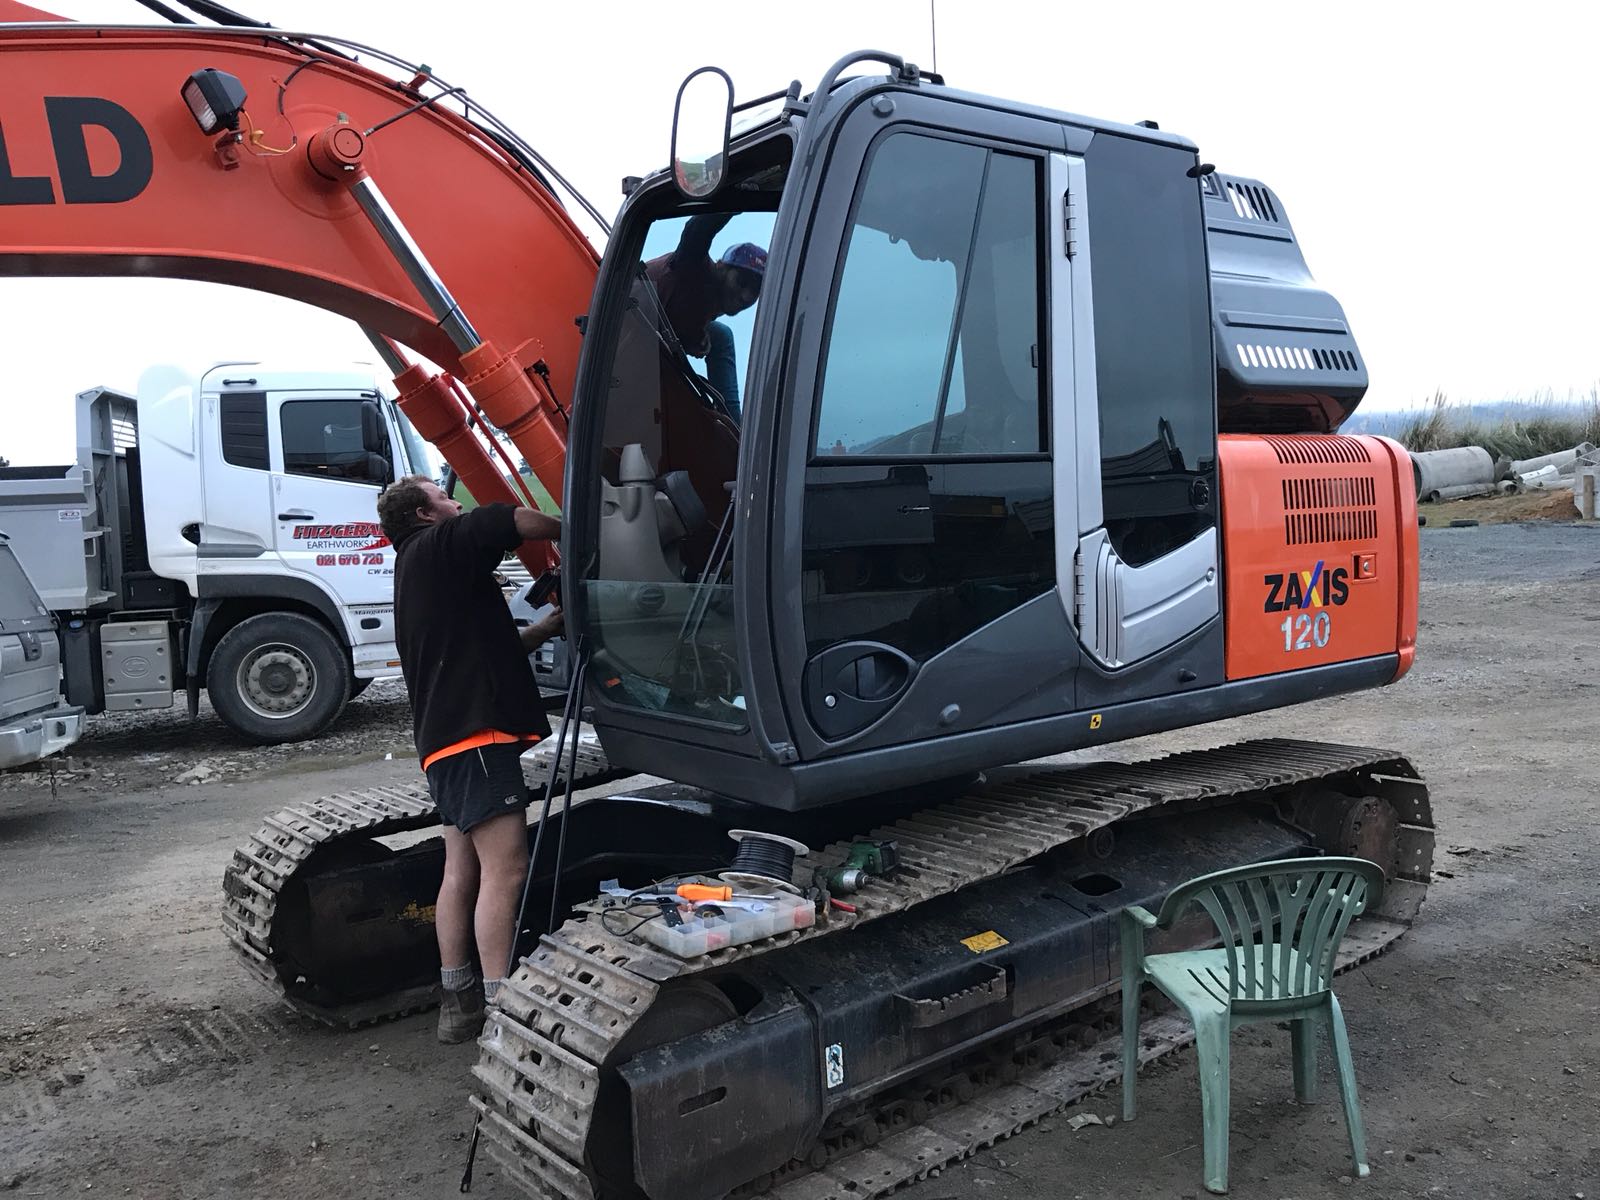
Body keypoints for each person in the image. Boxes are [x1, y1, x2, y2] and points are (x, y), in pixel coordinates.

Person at [375, 475, 564, 1043]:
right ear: (426, 514)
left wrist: (547, 628)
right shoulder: (442, 542)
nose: (455, 499)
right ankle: (504, 1015)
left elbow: (490, 646)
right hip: (477, 740)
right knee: (506, 872)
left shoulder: (417, 568)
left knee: (462, 870)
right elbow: (508, 520)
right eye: (443, 495)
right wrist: (583, 530)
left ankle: (459, 1005)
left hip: (444, 745)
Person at [643, 212, 767, 418]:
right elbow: (696, 230)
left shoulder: (711, 303)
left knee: (721, 335)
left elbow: (687, 310)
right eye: (741, 282)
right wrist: (731, 199)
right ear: (720, 267)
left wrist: (693, 335)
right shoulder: (694, 267)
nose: (746, 296)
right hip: (631, 328)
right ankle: (734, 426)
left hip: (663, 328)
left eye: (755, 291)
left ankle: (733, 428)